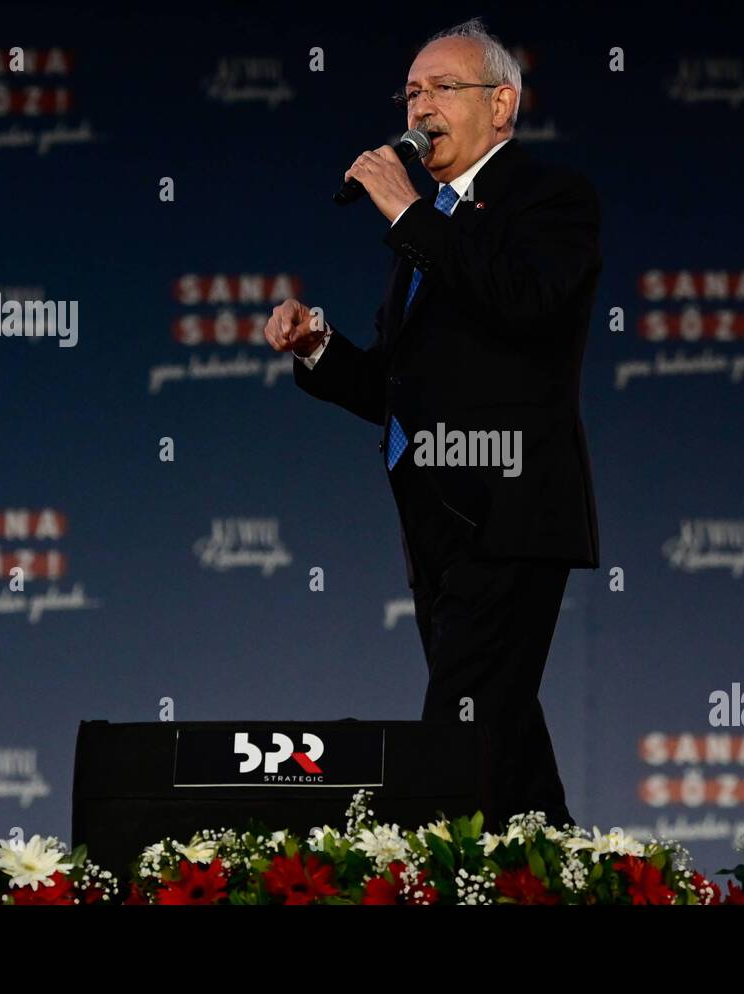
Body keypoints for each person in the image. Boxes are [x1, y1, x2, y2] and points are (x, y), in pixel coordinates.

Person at [263, 17, 600, 831]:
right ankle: (557, 868)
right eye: (411, 90)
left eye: (443, 87)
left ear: (503, 104)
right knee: (502, 737)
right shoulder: (428, 226)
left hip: (511, 513)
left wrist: (409, 212)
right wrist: (319, 349)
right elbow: (396, 388)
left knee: (460, 735)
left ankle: (437, 879)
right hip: (437, 527)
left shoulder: (550, 199)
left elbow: (525, 304)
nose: (420, 105)